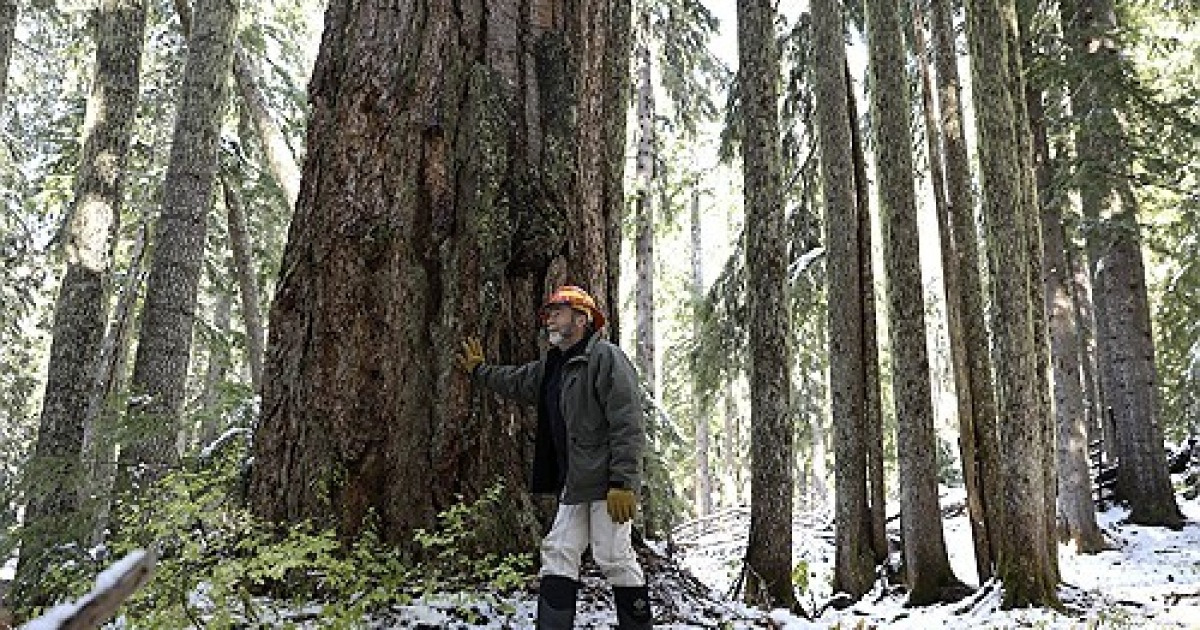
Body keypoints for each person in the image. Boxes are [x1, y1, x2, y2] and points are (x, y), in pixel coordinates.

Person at [457, 285, 652, 629]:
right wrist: (479, 372)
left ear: (581, 318)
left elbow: (628, 423)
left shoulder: (606, 359)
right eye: (549, 313)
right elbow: (516, 381)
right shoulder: (553, 366)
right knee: (559, 552)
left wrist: (623, 482)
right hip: (575, 483)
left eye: (557, 312)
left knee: (613, 556)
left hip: (607, 484)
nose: (549, 319)